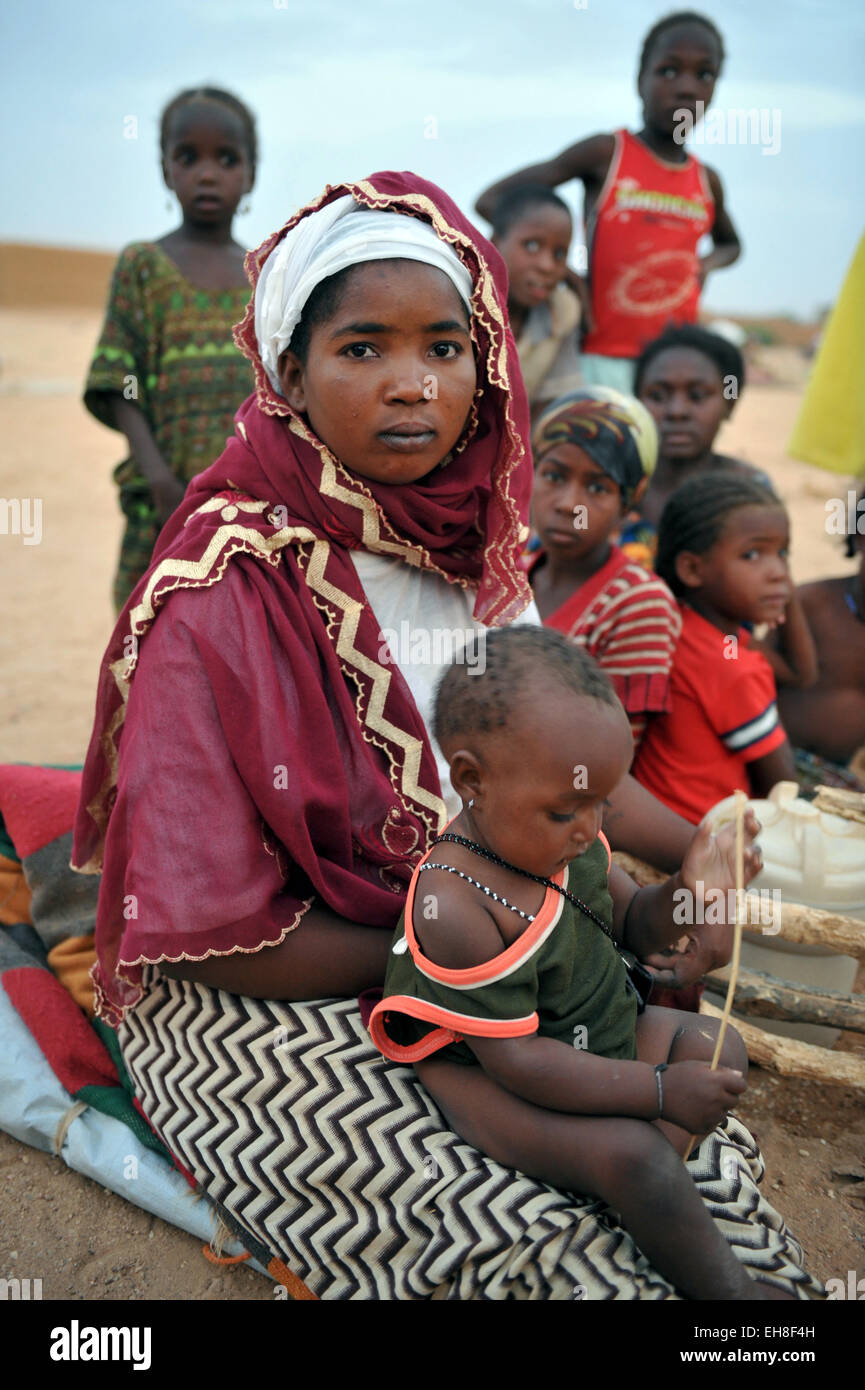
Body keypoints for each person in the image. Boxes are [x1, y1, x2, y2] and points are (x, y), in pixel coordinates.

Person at [71, 174, 817, 1300]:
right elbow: (222, 931)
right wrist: (478, 942)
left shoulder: (477, 540)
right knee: (509, 1226)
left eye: (445, 348)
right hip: (277, 985)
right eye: (362, 349)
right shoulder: (220, 586)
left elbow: (556, 783)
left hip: (491, 935)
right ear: (287, 373)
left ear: (486, 366)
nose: (412, 384)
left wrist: (675, 887)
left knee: (697, 1170)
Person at [370, 626, 795, 1301]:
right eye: (568, 807)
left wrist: (688, 892)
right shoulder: (454, 905)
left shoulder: (569, 836)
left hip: (593, 1043)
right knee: (634, 1156)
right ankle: (732, 1303)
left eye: (601, 801)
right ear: (472, 779)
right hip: (502, 1084)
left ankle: (629, 1195)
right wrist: (657, 1092)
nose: (587, 825)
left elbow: (633, 922)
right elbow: (522, 1064)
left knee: (715, 1044)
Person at [475, 11, 741, 394]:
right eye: (668, 71)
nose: (686, 88)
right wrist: (560, 271)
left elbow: (732, 244)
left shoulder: (706, 180)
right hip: (600, 357)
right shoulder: (607, 154)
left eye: (704, 74)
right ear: (639, 81)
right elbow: (493, 201)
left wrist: (706, 264)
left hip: (670, 364)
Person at [84, 86, 258, 611]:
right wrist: (157, 475)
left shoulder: (263, 273)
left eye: (226, 159)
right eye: (188, 157)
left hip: (250, 504)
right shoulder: (143, 266)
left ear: (250, 174)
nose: (207, 173)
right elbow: (118, 377)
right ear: (165, 171)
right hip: (165, 500)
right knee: (151, 638)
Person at [633, 474, 816, 824]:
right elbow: (783, 787)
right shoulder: (730, 666)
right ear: (691, 568)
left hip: (664, 816)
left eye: (782, 553)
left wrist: (782, 596)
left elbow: (797, 673)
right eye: (752, 554)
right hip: (707, 833)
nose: (778, 571)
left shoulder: (687, 627)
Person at [527, 388, 681, 745]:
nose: (568, 505)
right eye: (553, 476)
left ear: (629, 501)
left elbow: (609, 756)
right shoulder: (509, 573)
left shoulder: (638, 603)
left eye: (597, 487)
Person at [620, 323, 760, 566]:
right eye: (657, 396)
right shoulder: (608, 484)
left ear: (730, 403)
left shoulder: (751, 491)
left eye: (697, 395)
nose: (676, 412)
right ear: (637, 402)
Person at [774, 482, 865, 789]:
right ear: (859, 536)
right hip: (777, 763)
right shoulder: (810, 603)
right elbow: (743, 661)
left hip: (847, 785)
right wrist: (730, 645)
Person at [488, 185, 582, 411]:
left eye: (559, 254)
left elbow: (554, 406)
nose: (547, 266)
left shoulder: (561, 311)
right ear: (495, 243)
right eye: (531, 245)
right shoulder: (459, 304)